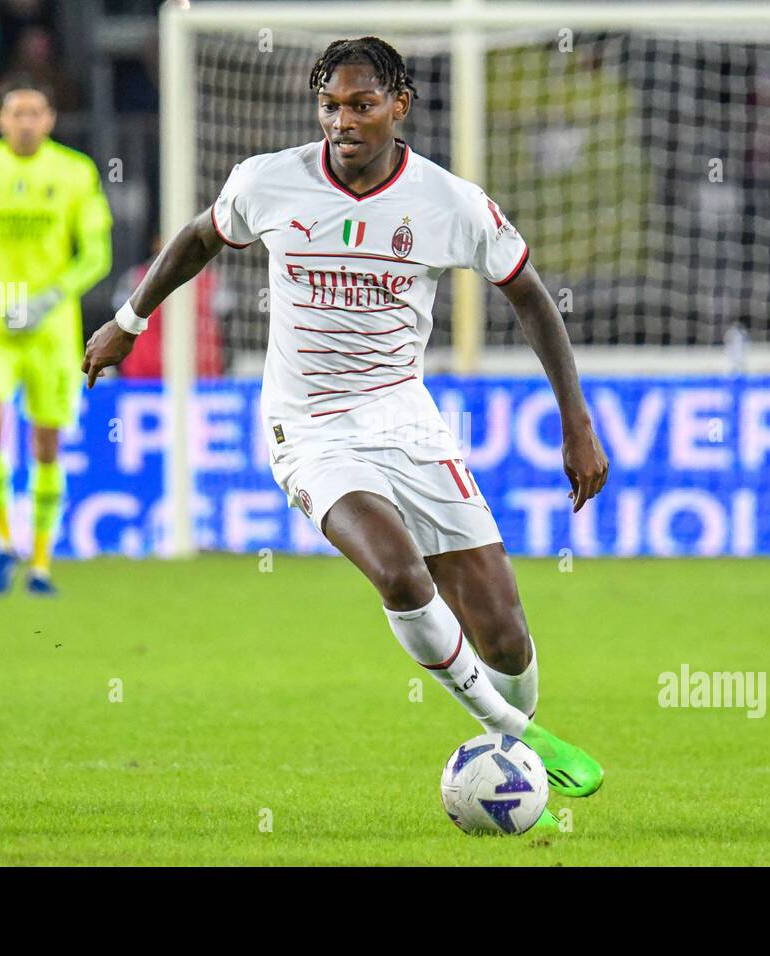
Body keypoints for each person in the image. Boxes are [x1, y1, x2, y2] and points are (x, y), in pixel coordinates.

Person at [83, 37, 610, 827]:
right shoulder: (268, 181)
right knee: (398, 574)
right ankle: (518, 735)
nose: (343, 121)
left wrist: (578, 422)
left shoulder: (448, 203)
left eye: (361, 105)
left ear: (400, 105)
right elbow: (196, 239)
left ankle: (519, 736)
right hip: (310, 428)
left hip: (407, 420)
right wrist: (128, 320)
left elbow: (531, 297)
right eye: (330, 105)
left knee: (504, 638)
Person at [0, 76, 113, 596]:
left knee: (46, 444)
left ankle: (40, 562)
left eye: (35, 112)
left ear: (51, 119)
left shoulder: (74, 171)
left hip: (50, 325)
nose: (26, 121)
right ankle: (2, 540)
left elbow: (96, 254)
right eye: (16, 112)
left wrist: (48, 297)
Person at [111, 235, 232, 380]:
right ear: (156, 244)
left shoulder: (211, 281)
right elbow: (119, 314)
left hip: (199, 373)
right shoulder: (134, 279)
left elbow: (226, 310)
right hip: (143, 374)